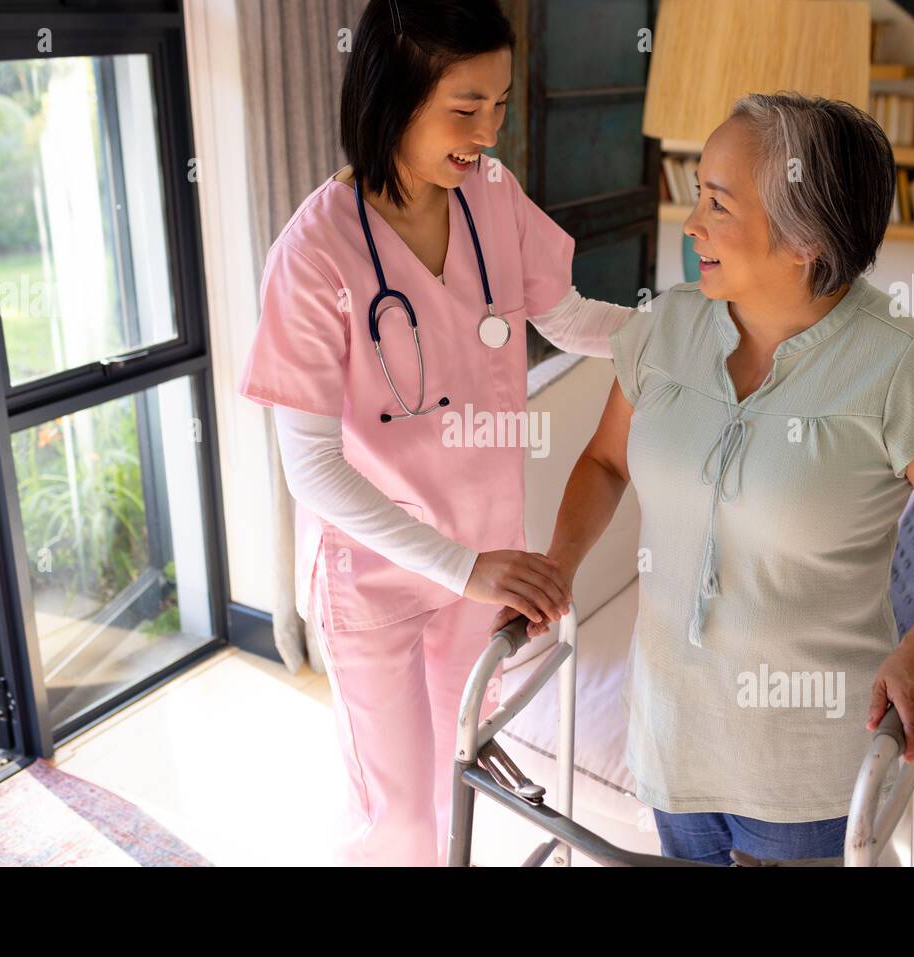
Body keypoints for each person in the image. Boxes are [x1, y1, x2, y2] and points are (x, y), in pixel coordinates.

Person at [512, 92, 914, 865]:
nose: (690, 225)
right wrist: (558, 564)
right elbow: (607, 460)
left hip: (809, 769)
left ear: (806, 239)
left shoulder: (898, 365)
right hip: (671, 740)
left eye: (717, 204)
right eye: (696, 198)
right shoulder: (666, 327)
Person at [236, 0, 634, 866]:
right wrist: (463, 564)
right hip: (374, 573)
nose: (488, 131)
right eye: (466, 107)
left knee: (465, 779)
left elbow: (561, 316)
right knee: (398, 816)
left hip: (480, 549)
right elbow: (309, 466)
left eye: (499, 104)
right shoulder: (312, 255)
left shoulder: (490, 196)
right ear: (392, 95)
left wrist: (666, 329)